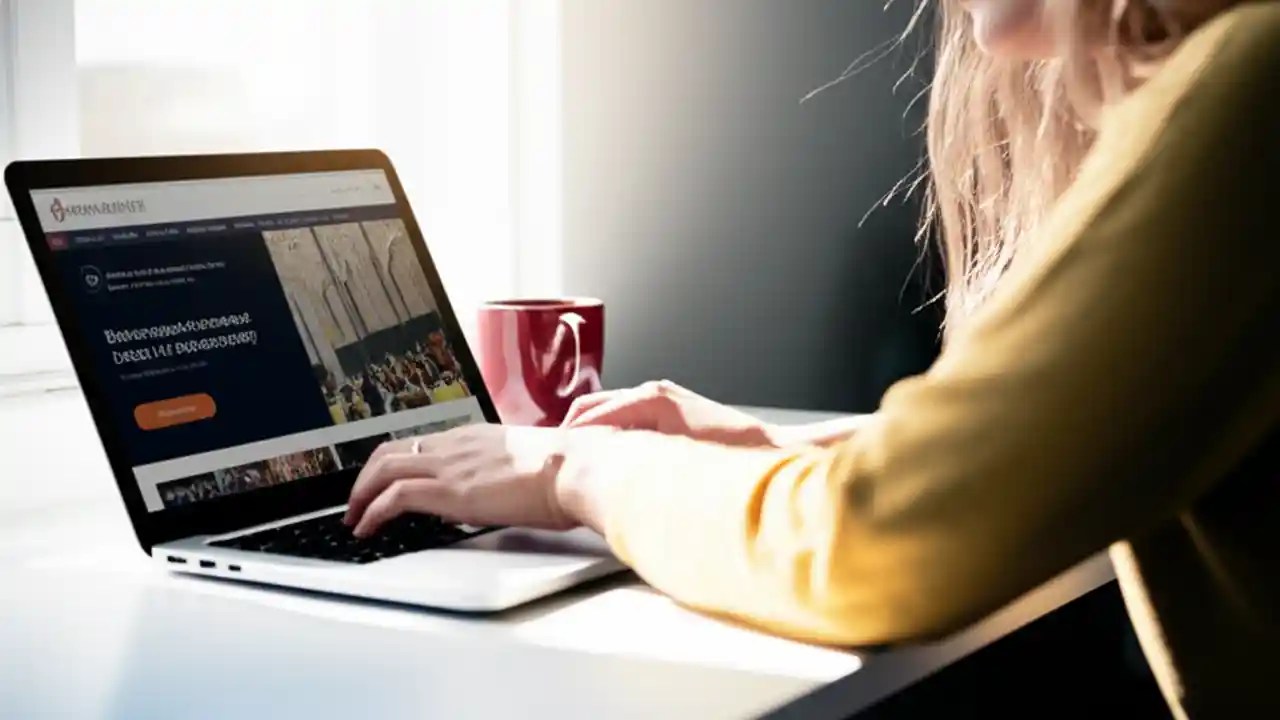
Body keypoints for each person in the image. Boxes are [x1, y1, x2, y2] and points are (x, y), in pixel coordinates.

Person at [343, 2, 1279, 717]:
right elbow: (1038, 454)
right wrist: (780, 456)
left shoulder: (1256, 83)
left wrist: (574, 469)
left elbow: (877, 546)